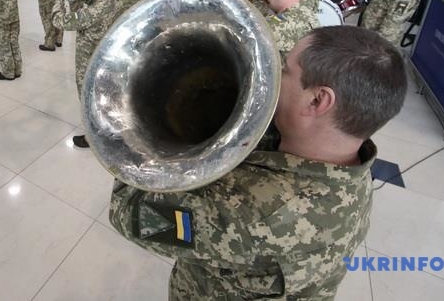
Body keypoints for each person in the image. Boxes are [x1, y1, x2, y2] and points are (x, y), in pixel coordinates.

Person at [109, 25, 407, 300]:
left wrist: (137, 133)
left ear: (317, 100)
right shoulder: (350, 162)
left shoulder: (255, 212)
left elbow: (129, 212)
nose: (273, 74)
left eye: (285, 70)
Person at [52, 0, 120, 148]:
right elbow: (92, 6)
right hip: (103, 61)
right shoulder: (113, 2)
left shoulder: (93, 12)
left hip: (88, 63)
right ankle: (107, 128)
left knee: (88, 99)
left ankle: (92, 137)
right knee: (101, 98)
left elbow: (59, 21)